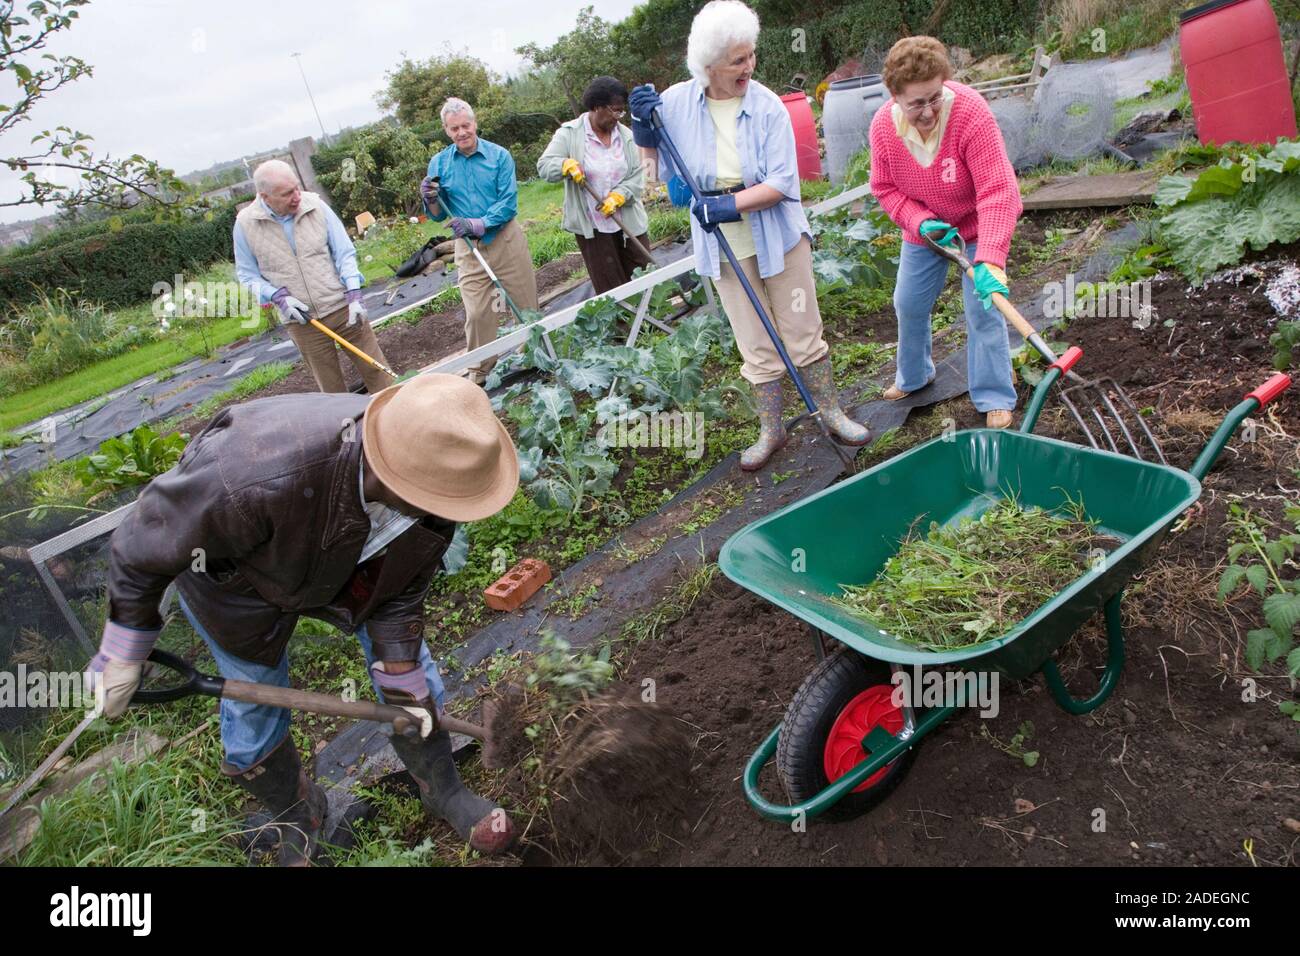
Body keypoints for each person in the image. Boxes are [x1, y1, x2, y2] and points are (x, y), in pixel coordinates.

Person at [87, 375, 520, 864]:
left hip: (352, 570)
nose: (448, 515)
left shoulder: (440, 477)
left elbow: (403, 585)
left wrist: (401, 674)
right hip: (238, 586)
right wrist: (123, 649)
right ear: (394, 476)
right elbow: (141, 546)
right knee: (253, 704)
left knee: (413, 684)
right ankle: (297, 812)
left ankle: (441, 788)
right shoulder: (250, 472)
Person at [628, 0, 868, 471]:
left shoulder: (768, 106)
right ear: (708, 65)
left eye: (751, 55)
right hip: (722, 244)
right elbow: (650, 164)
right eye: (738, 60)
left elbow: (781, 183)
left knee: (801, 330)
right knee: (753, 340)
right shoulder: (677, 101)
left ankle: (832, 412)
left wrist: (726, 203)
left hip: (777, 234)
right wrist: (642, 125)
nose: (749, 66)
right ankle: (772, 430)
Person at [869, 35, 1023, 428]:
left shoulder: (970, 111)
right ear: (894, 97)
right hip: (928, 231)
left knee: (983, 309)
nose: (928, 111)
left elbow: (998, 189)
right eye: (916, 103)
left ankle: (994, 396)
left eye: (934, 97)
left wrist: (989, 257)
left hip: (974, 225)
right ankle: (915, 377)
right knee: (908, 302)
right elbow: (884, 188)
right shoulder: (883, 130)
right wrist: (919, 221)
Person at [234, 159, 394, 394]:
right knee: (330, 391)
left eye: (296, 187)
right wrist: (277, 296)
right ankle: (347, 428)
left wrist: (354, 294)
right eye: (287, 193)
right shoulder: (246, 224)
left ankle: (396, 424)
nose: (297, 196)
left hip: (342, 308)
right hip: (303, 321)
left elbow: (344, 252)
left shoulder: (316, 206)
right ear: (265, 197)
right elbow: (247, 275)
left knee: (378, 373)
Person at [420, 98, 539, 386]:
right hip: (468, 248)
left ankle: (536, 355)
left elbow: (508, 203)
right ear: (446, 130)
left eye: (465, 125)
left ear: (475, 123)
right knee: (476, 313)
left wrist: (478, 223)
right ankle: (479, 372)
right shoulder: (440, 163)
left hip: (505, 238)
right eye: (454, 128)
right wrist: (430, 198)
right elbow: (436, 216)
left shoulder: (499, 156)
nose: (461, 132)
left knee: (524, 304)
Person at [537, 76, 654, 294]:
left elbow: (639, 175)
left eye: (621, 111)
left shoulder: (627, 136)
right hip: (592, 225)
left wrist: (619, 196)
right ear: (596, 106)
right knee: (610, 286)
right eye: (614, 110)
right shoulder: (569, 134)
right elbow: (544, 166)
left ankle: (655, 323)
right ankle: (625, 327)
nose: (618, 116)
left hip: (627, 219)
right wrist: (564, 165)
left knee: (645, 272)